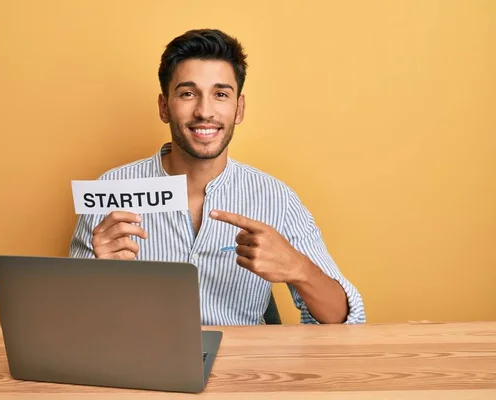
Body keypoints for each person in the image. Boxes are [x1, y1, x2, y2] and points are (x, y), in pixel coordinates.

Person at [69, 29, 366, 325]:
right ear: (163, 107)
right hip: (141, 364)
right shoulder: (108, 192)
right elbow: (71, 323)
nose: (204, 111)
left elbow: (349, 321)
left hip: (245, 368)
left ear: (239, 109)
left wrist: (299, 268)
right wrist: (99, 274)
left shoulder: (277, 199)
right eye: (188, 94)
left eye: (221, 94)